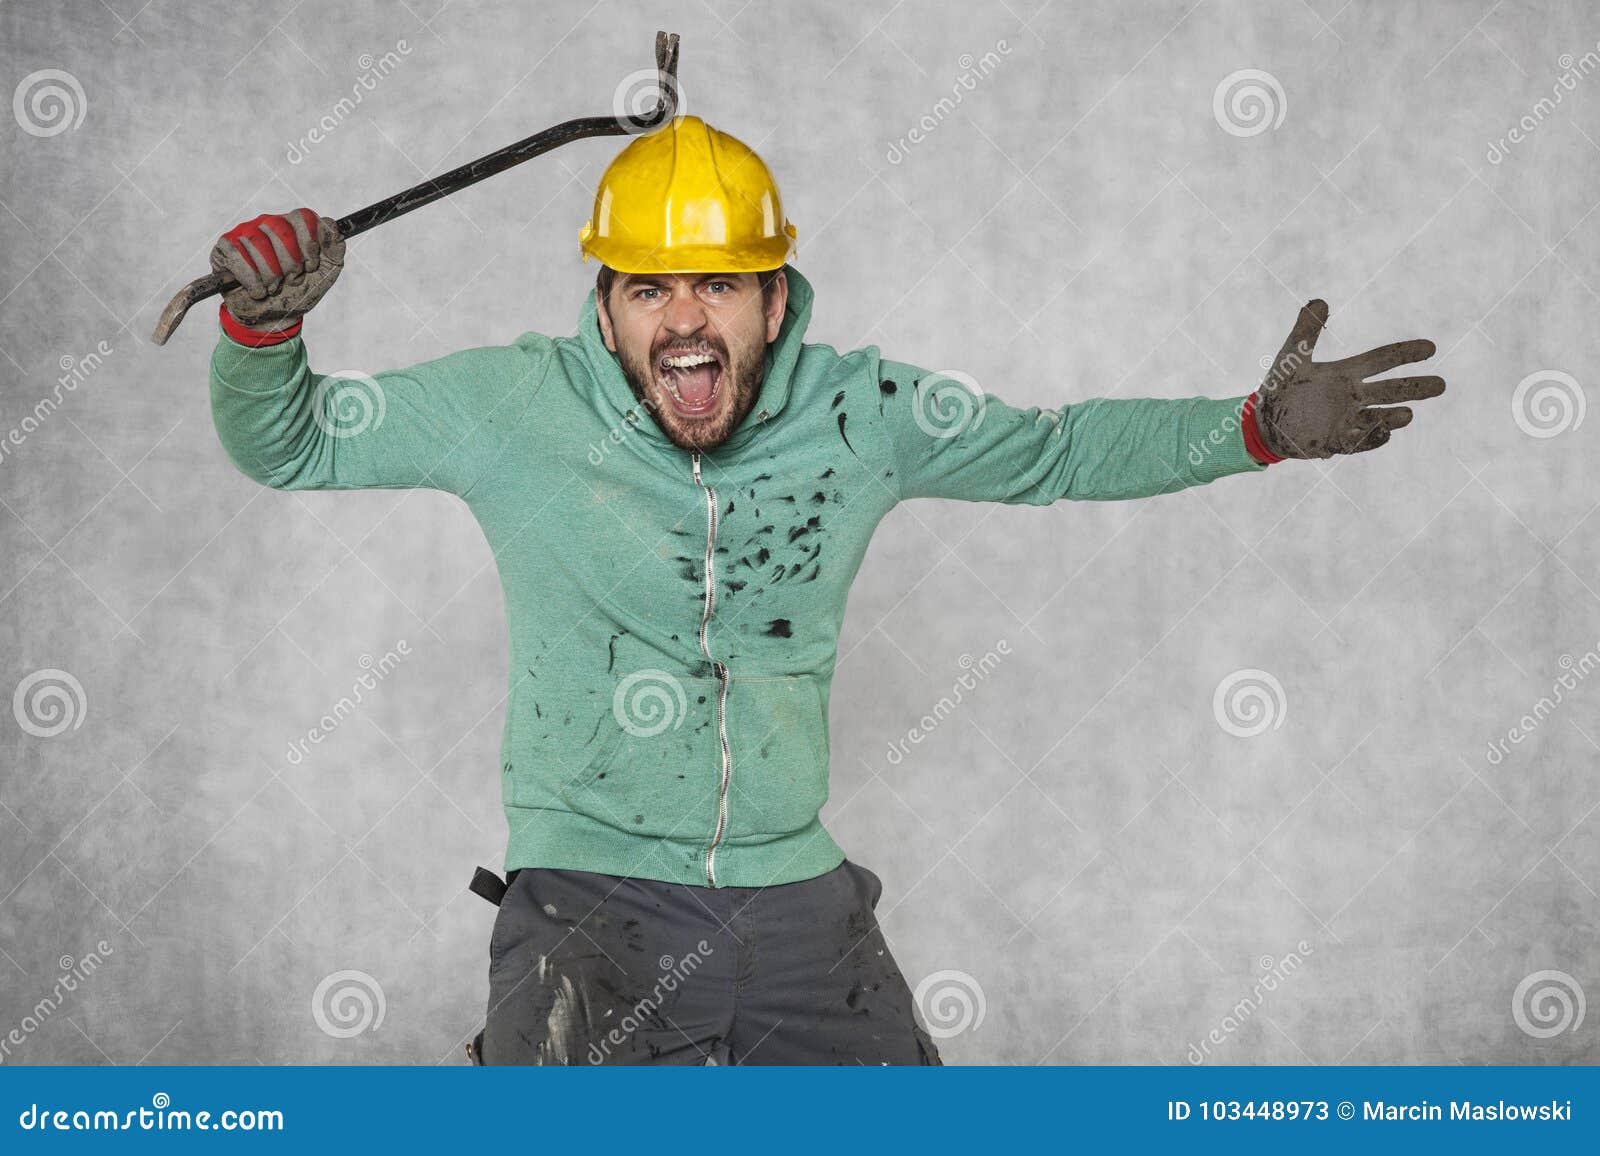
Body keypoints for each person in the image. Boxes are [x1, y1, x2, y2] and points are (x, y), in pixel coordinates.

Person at [205, 115, 1445, 1064]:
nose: (684, 320)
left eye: (719, 286)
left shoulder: (865, 408)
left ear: (776, 294)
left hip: (799, 905)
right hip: (588, 899)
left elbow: (1057, 450)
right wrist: (263, 338)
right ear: (604, 302)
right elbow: (297, 443)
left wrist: (1254, 426)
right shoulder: (514, 405)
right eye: (648, 288)